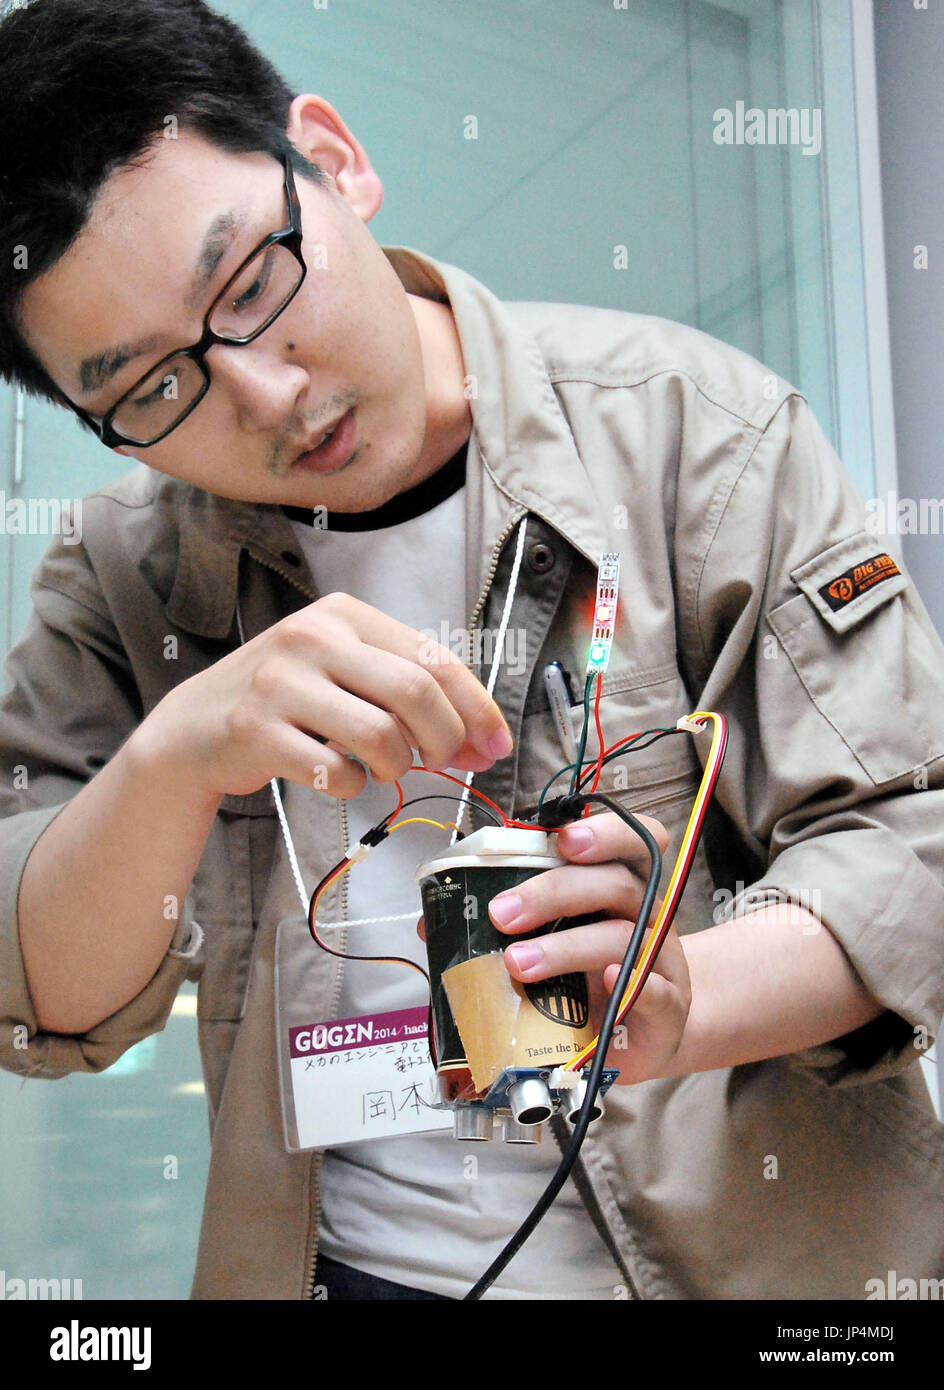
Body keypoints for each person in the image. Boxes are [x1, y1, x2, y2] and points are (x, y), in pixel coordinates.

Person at [1, 0, 942, 1301]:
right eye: (156, 388)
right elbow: (34, 987)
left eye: (254, 283)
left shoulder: (695, 435)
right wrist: (173, 759)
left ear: (332, 159)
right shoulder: (120, 575)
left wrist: (677, 997)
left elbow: (916, 844)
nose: (266, 394)